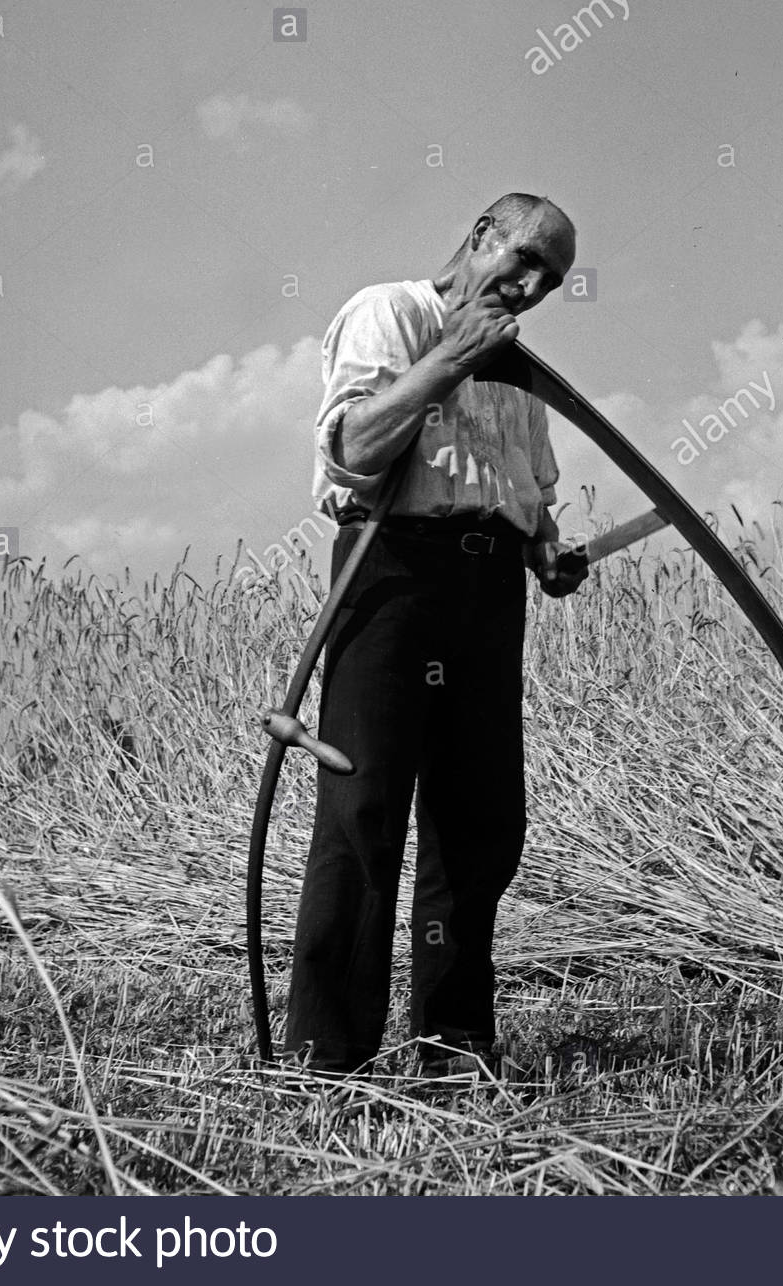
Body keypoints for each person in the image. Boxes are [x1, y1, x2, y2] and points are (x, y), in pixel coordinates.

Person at [282, 193, 588, 1080]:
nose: (530, 285)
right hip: (394, 575)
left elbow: (531, 499)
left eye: (552, 279)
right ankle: (326, 1053)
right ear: (479, 235)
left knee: (481, 817)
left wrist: (547, 555)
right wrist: (450, 359)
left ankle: (454, 1044)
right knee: (363, 805)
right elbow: (353, 451)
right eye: (523, 258)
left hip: (488, 593)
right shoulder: (394, 312)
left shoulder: (517, 371)